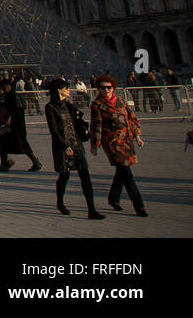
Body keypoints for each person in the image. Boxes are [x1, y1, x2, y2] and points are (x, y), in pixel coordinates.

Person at [45, 77, 104, 219]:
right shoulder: (50, 107)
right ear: (59, 90)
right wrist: (64, 146)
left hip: (76, 144)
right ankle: (60, 202)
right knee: (64, 176)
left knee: (85, 176)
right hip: (62, 146)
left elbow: (76, 123)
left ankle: (92, 210)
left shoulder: (68, 105)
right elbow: (54, 130)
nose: (69, 90)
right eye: (66, 88)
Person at [90, 75, 147, 216]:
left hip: (126, 141)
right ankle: (139, 206)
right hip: (112, 143)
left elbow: (131, 118)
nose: (106, 90)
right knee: (126, 172)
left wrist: (138, 136)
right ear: (99, 89)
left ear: (113, 88)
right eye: (102, 87)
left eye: (108, 87)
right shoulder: (97, 105)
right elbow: (96, 125)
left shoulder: (121, 101)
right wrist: (94, 144)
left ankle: (113, 198)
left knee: (122, 171)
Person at [0, 79, 41, 170]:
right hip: (16, 123)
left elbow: (15, 110)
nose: (3, 89)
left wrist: (9, 119)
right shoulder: (10, 96)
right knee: (7, 143)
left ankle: (35, 162)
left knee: (21, 143)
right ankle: (5, 163)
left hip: (16, 124)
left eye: (3, 87)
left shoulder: (12, 96)